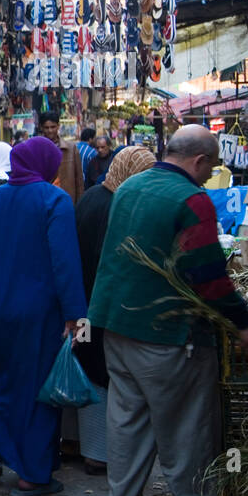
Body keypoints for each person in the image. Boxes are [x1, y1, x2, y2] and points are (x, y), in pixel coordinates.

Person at [87, 126, 248, 496]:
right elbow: (208, 275)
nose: (210, 175)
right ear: (199, 160)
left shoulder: (129, 188)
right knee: (185, 422)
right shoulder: (192, 199)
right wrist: (244, 323)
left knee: (127, 416)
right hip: (165, 332)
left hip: (115, 323)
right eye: (213, 166)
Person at [0, 136, 87, 496]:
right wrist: (75, 316)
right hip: (37, 311)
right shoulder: (55, 200)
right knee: (38, 388)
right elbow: (65, 263)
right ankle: (32, 474)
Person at [71, 146, 156, 476]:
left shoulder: (91, 196)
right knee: (103, 373)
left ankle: (78, 443)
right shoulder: (120, 205)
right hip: (103, 304)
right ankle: (99, 454)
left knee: (89, 366)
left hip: (84, 300)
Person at [39, 113, 83, 204]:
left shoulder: (71, 149)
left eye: (53, 127)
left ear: (58, 126)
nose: (50, 130)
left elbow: (79, 179)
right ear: (41, 128)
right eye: (46, 128)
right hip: (44, 199)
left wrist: (79, 204)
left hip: (66, 198)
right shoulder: (36, 149)